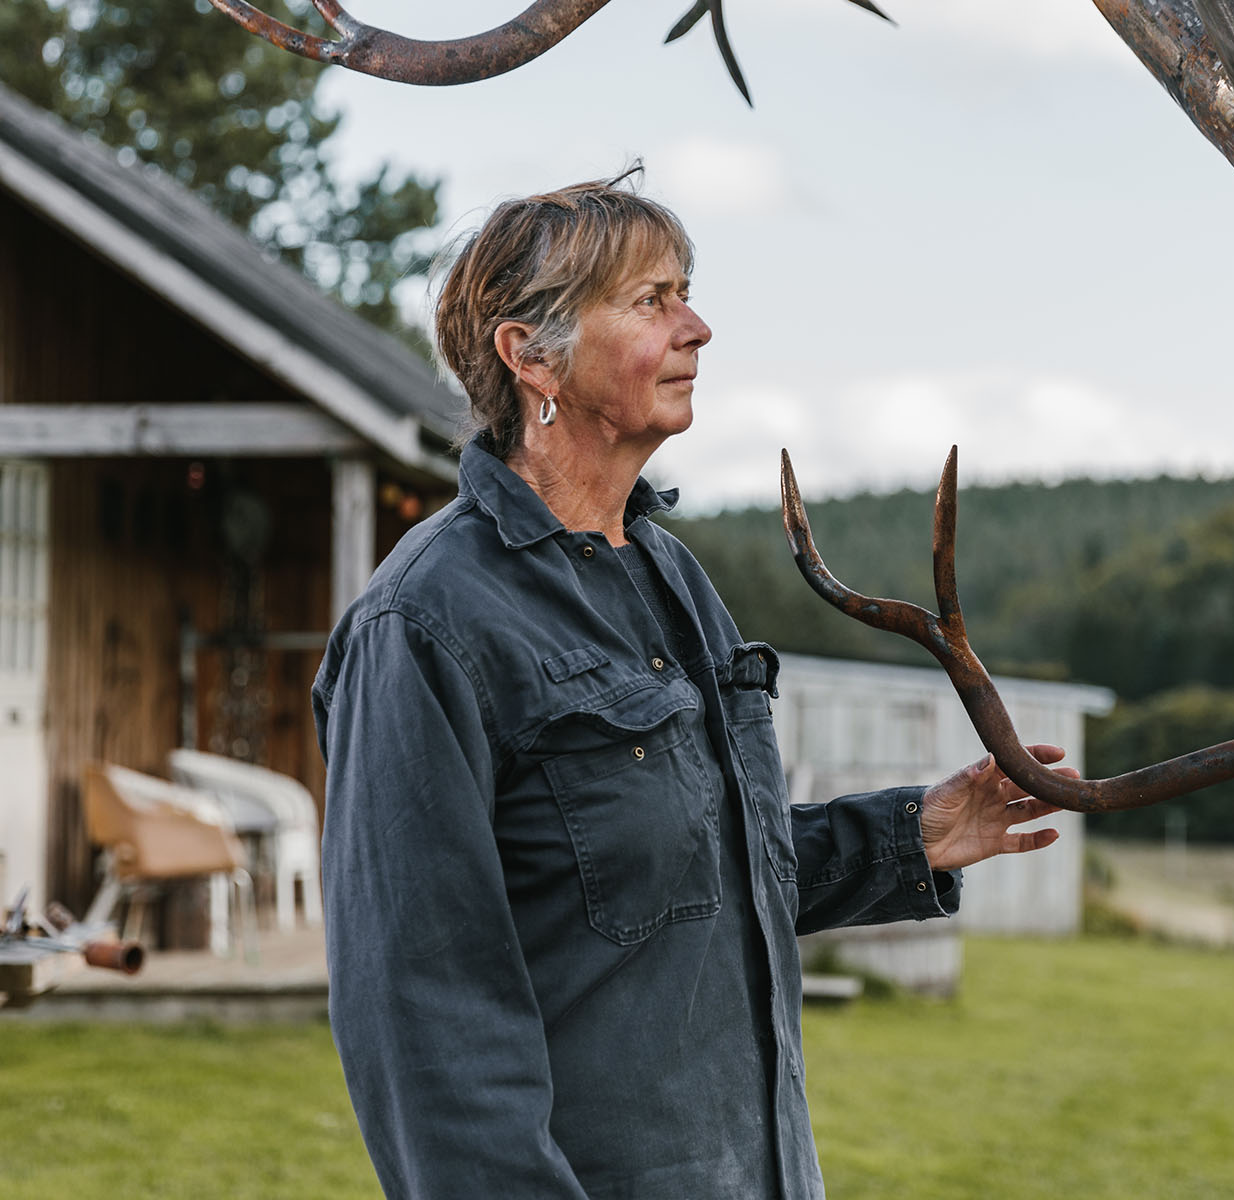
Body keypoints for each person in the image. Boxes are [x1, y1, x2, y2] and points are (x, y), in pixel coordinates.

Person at [311, 173, 1073, 1200]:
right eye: (652, 299)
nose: (699, 327)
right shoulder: (426, 624)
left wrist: (915, 835)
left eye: (687, 292)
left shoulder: (671, 578)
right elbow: (422, 1013)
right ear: (530, 353)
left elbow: (696, 870)